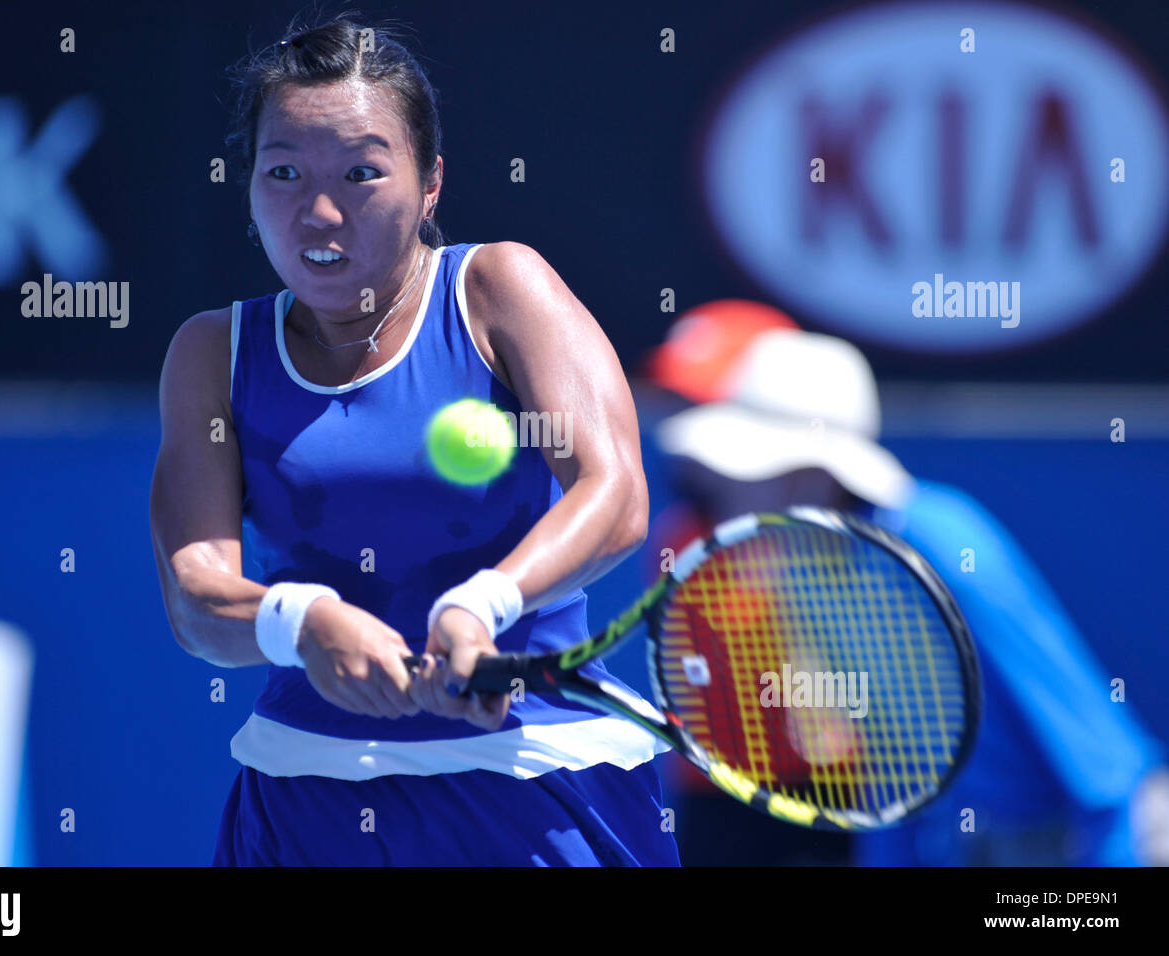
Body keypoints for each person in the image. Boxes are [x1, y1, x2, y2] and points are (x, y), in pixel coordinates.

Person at [148, 11, 678, 866]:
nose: (319, 212)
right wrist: (304, 619)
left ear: (431, 182)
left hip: (537, 798)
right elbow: (196, 601)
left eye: (361, 172)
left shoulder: (501, 287)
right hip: (302, 810)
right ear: (247, 185)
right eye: (282, 172)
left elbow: (613, 495)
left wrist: (482, 606)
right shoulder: (212, 353)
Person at [642, 322, 1169, 866]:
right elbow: (892, 777)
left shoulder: (942, 543)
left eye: (738, 471)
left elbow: (1105, 774)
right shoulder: (797, 574)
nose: (718, 492)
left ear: (810, 477)